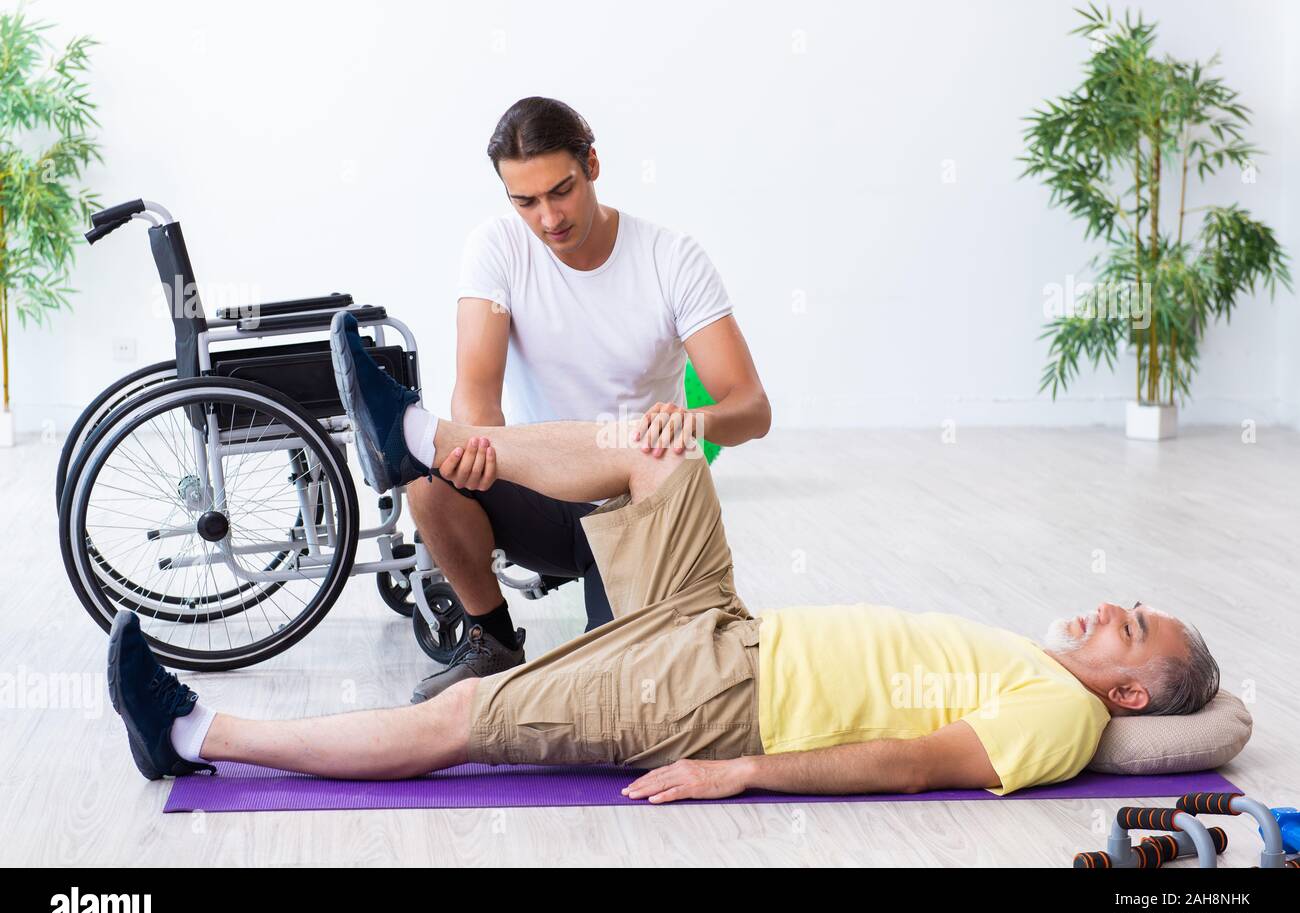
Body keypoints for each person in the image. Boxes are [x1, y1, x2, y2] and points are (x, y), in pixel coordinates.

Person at [102, 313, 1221, 802]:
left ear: (1126, 691)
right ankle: (419, 441)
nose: (1102, 608)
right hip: (729, 627)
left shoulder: (1065, 719)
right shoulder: (1042, 668)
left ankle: (193, 734)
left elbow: (914, 766)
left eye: (1128, 625)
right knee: (662, 444)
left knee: (467, 718)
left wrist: (743, 770)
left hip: (716, 694)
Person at [401, 96, 770, 702]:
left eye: (562, 190)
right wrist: (471, 452)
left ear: (592, 165)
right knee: (430, 480)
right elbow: (477, 396)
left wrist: (691, 420)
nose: (549, 218)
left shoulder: (671, 258)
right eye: (526, 201)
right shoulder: (496, 248)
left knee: (618, 699)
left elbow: (752, 410)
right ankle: (492, 641)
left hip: (632, 506)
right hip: (539, 490)